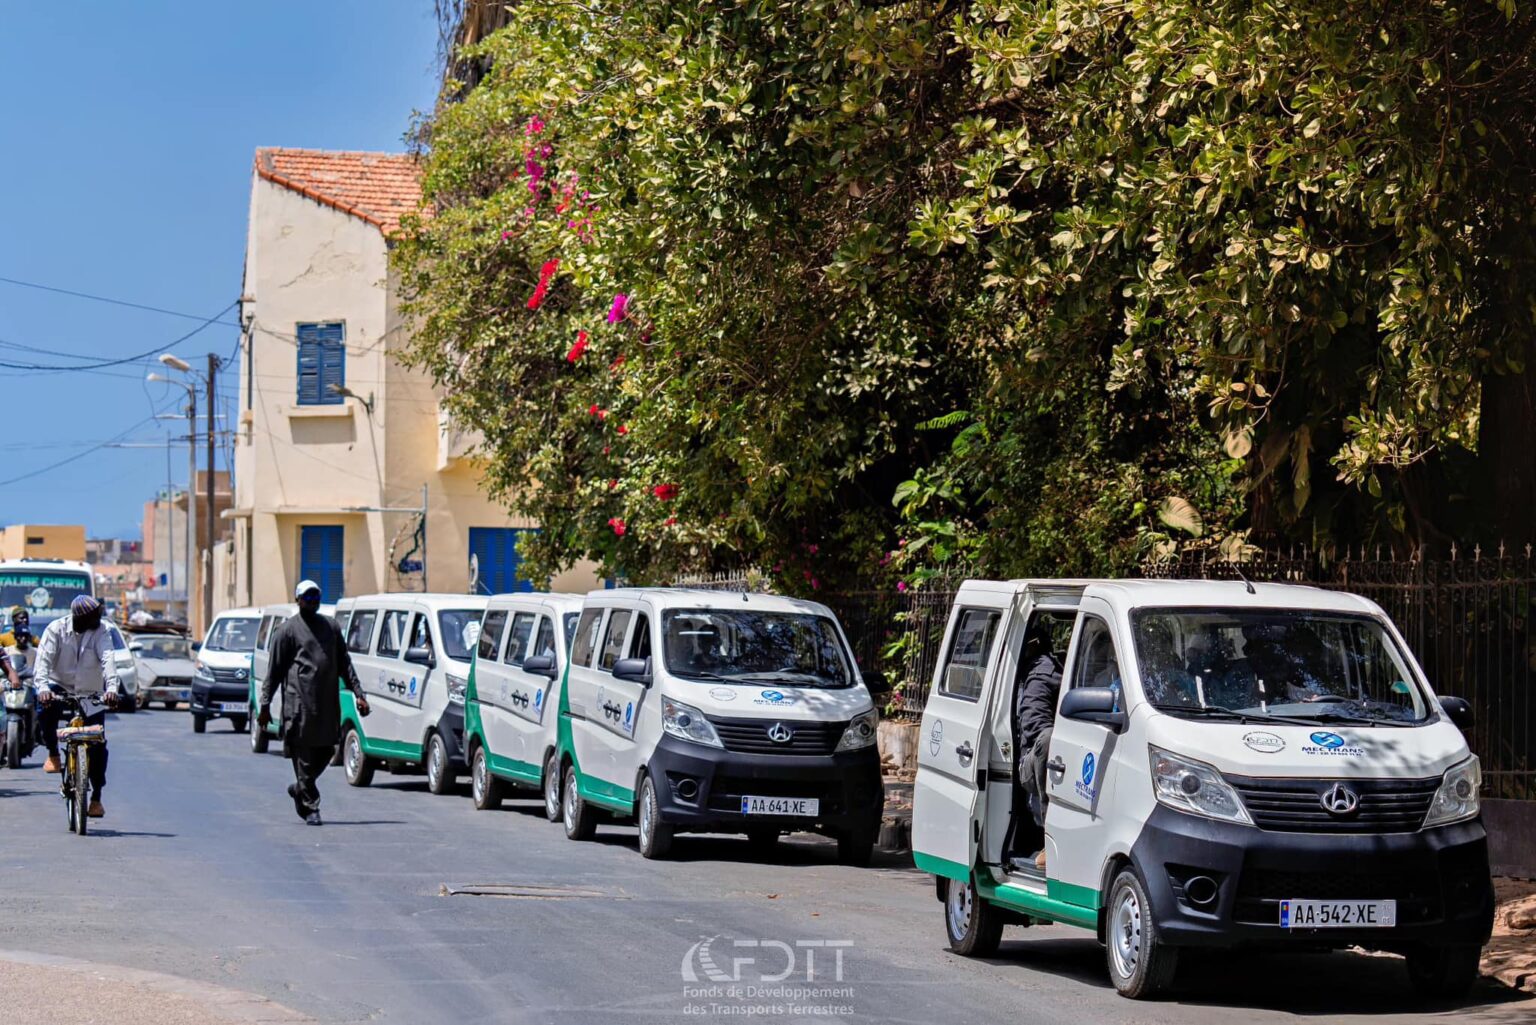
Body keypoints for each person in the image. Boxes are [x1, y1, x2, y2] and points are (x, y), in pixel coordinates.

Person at [257, 580, 370, 826]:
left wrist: (359, 694)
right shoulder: (286, 631)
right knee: (305, 756)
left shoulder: (330, 628)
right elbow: (273, 672)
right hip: (299, 706)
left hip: (327, 705)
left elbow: (344, 663)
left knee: (328, 750)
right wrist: (265, 706)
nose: (312, 601)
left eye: (316, 597)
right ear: (298, 600)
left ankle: (300, 787)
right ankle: (311, 807)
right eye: (307, 597)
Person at [33, 595, 117, 815]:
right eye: (95, 615)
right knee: (44, 710)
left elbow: (108, 659)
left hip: (91, 692)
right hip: (59, 685)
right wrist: (43, 690)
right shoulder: (55, 630)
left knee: (99, 744)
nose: (99, 617)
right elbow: (43, 662)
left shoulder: (102, 631)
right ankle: (53, 753)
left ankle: (96, 797)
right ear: (81, 617)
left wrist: (111, 690)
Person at [1015, 619, 1063, 868]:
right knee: (1048, 740)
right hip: (1032, 763)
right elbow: (1036, 729)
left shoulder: (1045, 670)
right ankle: (1049, 836)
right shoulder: (1039, 673)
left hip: (1054, 759)